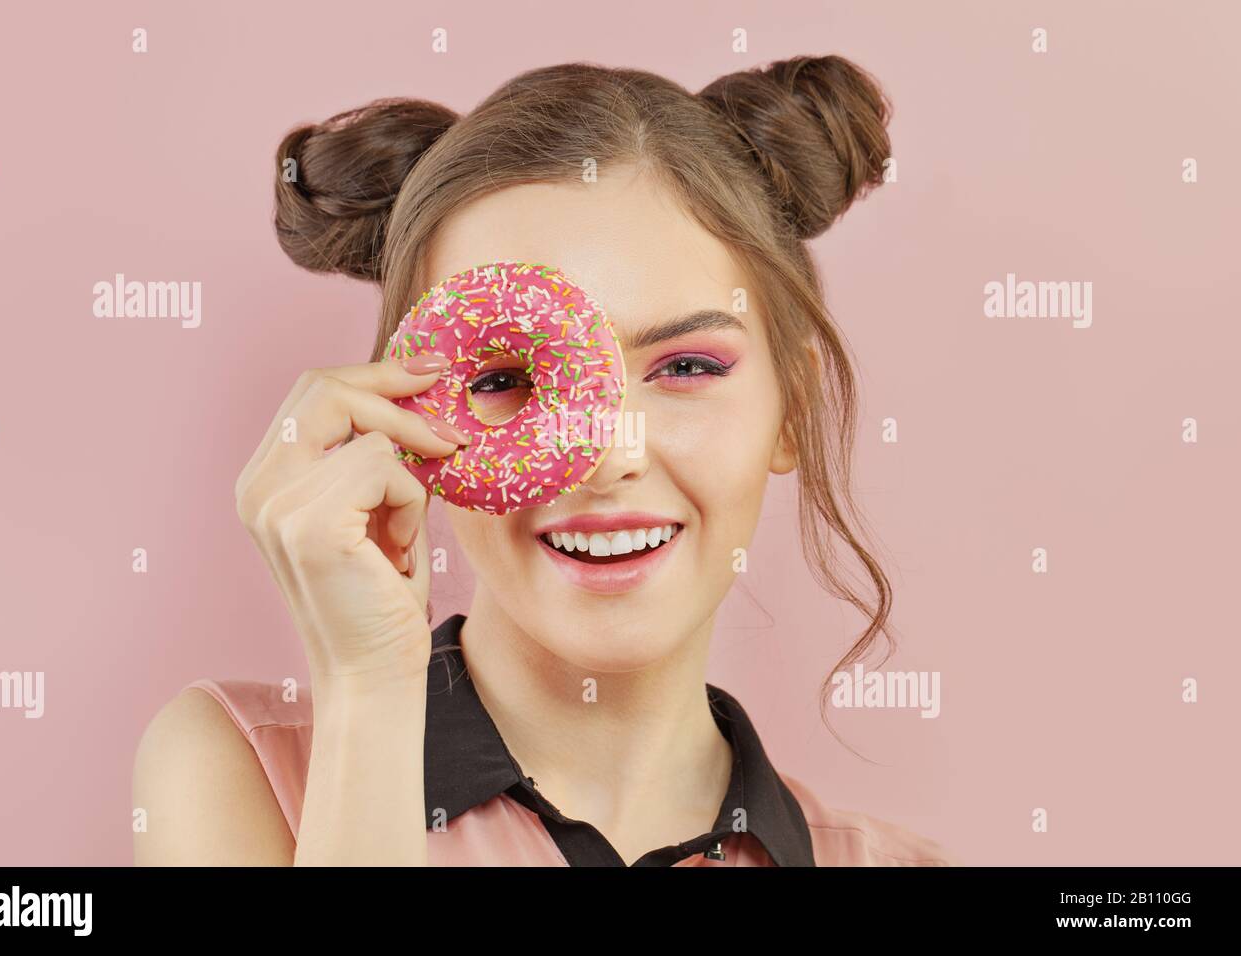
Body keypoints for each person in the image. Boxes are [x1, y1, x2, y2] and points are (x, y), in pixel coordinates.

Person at [132, 56, 955, 867]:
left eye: (688, 368)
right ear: (404, 414)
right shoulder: (245, 774)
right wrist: (369, 689)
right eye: (504, 379)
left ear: (793, 412)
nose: (606, 458)